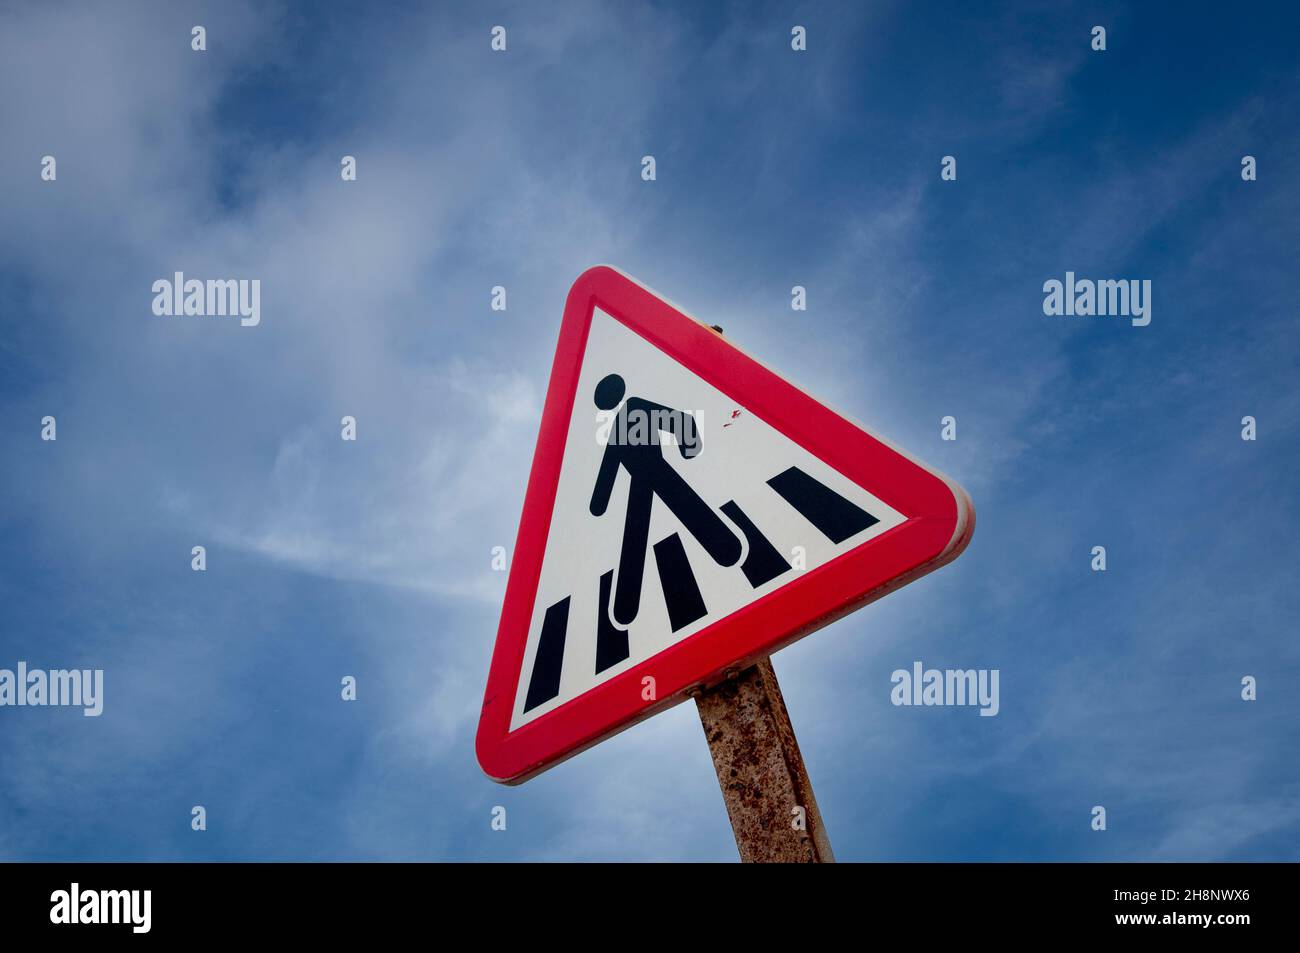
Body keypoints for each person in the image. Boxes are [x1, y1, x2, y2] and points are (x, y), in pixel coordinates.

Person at [589, 373, 741, 627]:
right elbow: (609, 467)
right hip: (647, 478)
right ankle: (625, 608)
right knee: (644, 530)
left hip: (655, 471)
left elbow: (678, 421)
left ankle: (727, 549)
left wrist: (599, 502)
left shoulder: (633, 409)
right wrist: (599, 501)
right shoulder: (619, 424)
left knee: (643, 530)